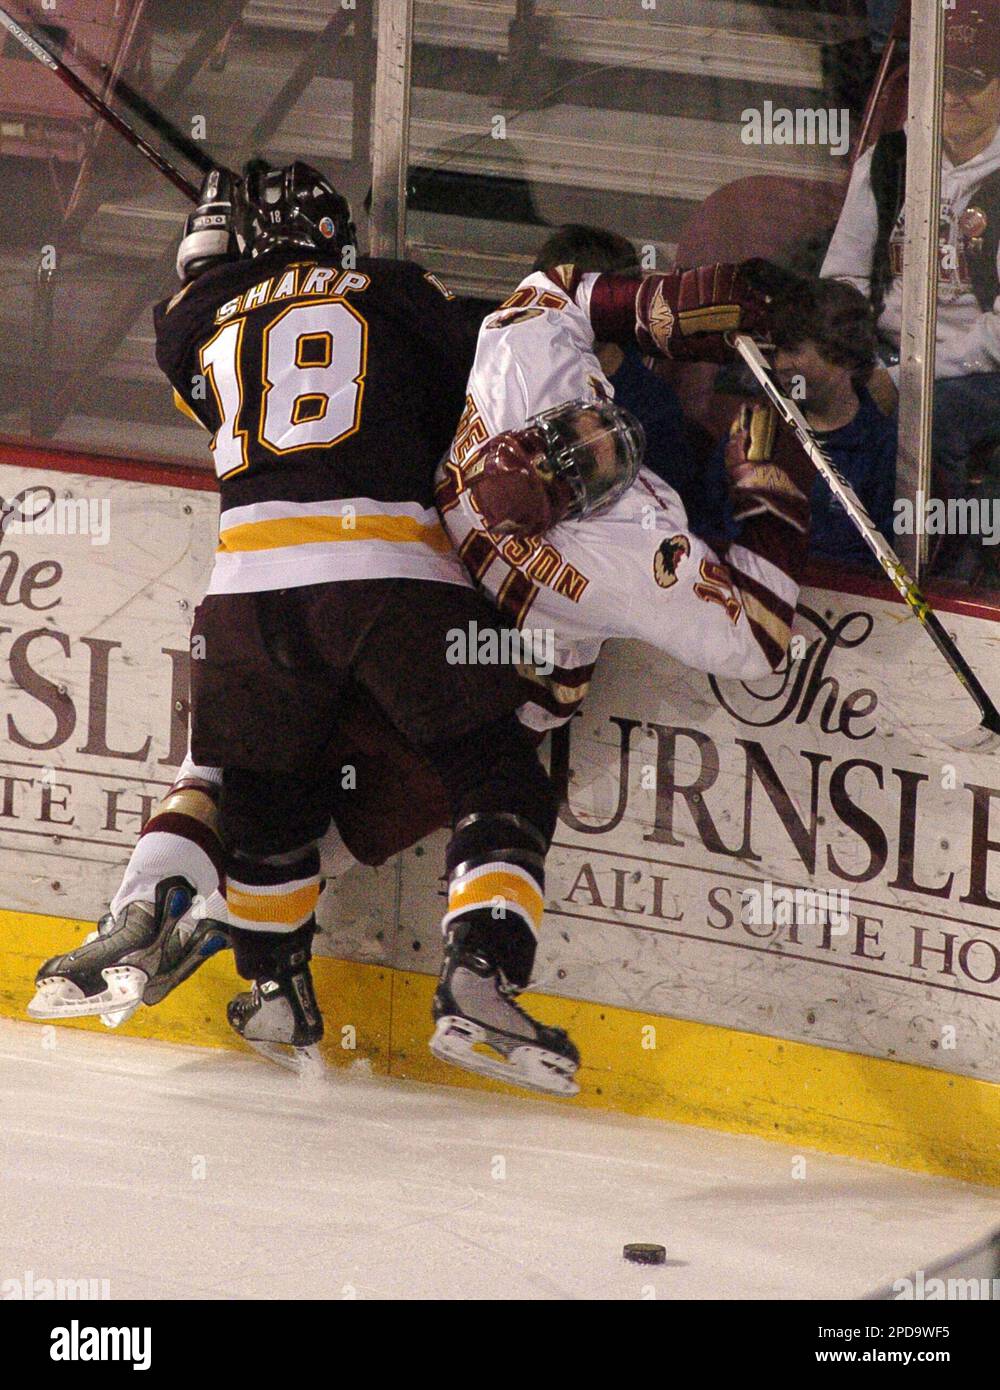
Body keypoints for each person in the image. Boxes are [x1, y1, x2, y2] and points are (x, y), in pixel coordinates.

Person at [32, 228, 803, 1092]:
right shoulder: (622, 550)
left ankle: (188, 922)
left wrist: (662, 303)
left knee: (241, 778)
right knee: (485, 787)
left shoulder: (511, 379)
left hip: (280, 591)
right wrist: (770, 474)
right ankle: (468, 974)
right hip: (444, 660)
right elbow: (761, 635)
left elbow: (546, 293)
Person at [821, 0, 1000, 575]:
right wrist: (858, 359)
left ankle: (949, 577)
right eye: (944, 78)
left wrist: (905, 377)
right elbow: (842, 277)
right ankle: (832, 561)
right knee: (805, 392)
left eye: (972, 81)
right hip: (884, 353)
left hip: (979, 369)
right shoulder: (891, 157)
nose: (952, 95)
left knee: (928, 421)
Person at [700, 278, 897, 572]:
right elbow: (707, 525)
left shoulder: (883, 450)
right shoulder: (752, 428)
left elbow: (879, 567)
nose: (780, 364)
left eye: (794, 351)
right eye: (778, 350)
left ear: (843, 356)